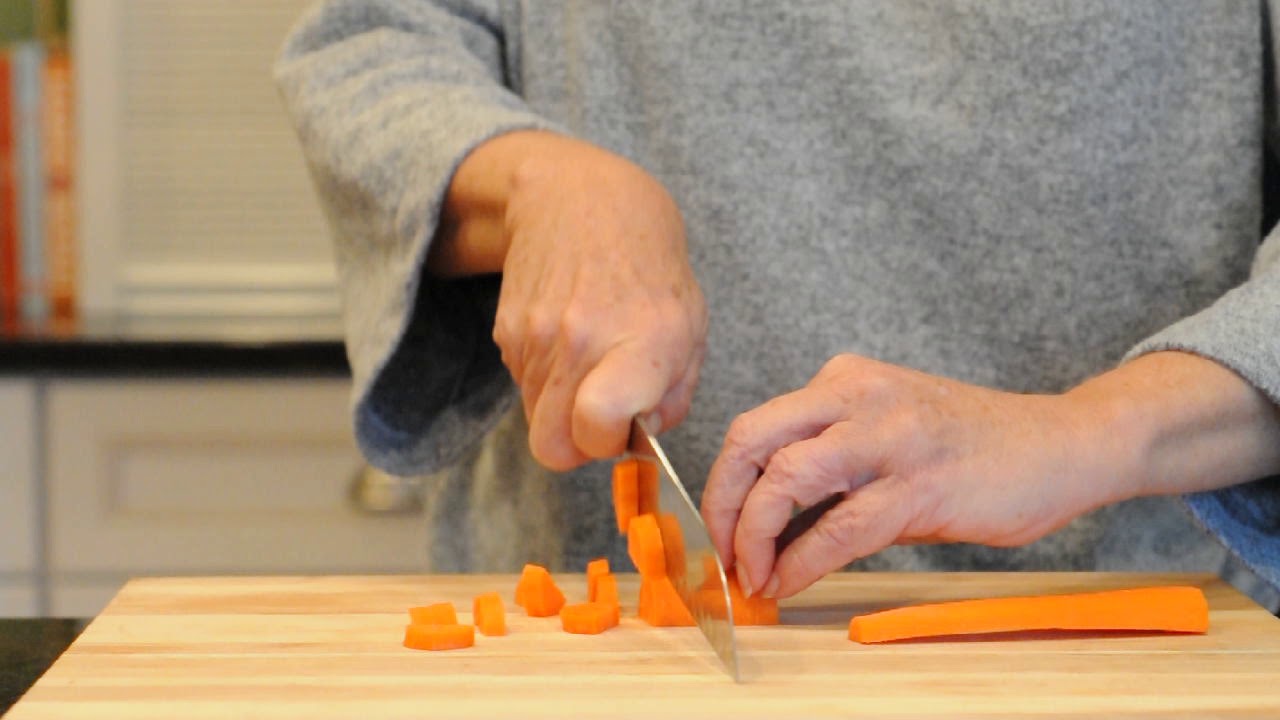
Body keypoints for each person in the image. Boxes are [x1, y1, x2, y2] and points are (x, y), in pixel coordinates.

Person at [274, 1, 1280, 608]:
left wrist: (1083, 430)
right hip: (595, 628)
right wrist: (532, 185)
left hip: (1138, 633)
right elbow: (374, 39)